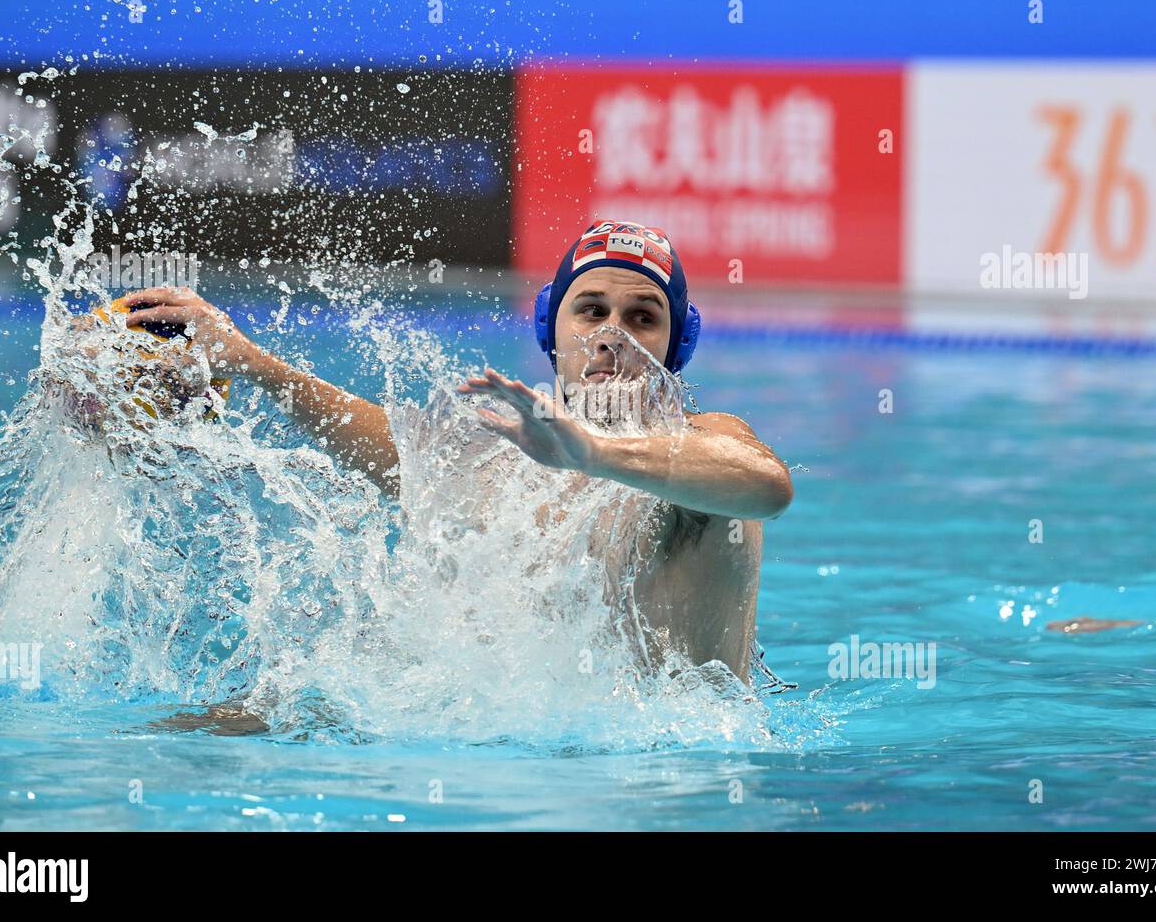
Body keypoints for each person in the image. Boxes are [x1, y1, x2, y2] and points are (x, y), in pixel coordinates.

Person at [120, 220, 795, 684]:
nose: (614, 334)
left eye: (643, 317)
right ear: (550, 328)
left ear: (674, 350)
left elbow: (764, 485)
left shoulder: (699, 451)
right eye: (591, 310)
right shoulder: (509, 467)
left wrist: (592, 453)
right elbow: (390, 442)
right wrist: (246, 359)